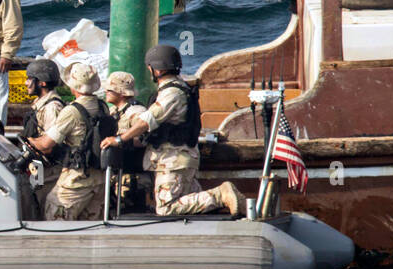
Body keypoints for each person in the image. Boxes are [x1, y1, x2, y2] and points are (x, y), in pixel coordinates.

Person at [101, 45, 246, 217]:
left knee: (166, 208)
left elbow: (146, 121)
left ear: (155, 69)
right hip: (177, 158)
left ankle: (220, 195)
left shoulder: (172, 93)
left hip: (173, 159)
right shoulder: (178, 88)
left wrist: (119, 140)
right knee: (188, 203)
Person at [28, 62, 114, 220]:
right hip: (100, 178)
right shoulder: (103, 107)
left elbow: (46, 144)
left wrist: (29, 141)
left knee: (54, 214)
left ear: (73, 86)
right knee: (90, 225)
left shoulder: (71, 111)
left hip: (77, 178)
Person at [17, 58, 65, 211]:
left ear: (41, 83)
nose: (26, 83)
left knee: (43, 207)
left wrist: (32, 143)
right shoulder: (41, 104)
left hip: (48, 171)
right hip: (38, 168)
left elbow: (51, 144)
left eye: (29, 79)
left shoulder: (52, 107)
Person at [103, 70, 150, 213]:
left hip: (133, 177)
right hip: (119, 174)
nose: (106, 91)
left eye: (110, 90)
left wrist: (122, 141)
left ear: (122, 93)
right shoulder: (114, 112)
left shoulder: (136, 112)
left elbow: (145, 139)